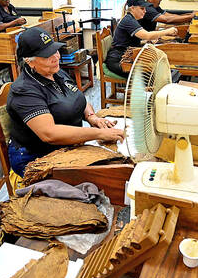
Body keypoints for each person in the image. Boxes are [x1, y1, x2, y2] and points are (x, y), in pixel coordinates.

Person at [6, 27, 124, 176]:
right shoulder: (24, 91)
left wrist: (91, 116)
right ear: (30, 62)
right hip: (36, 156)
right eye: (46, 55)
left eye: (55, 50)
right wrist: (98, 134)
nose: (55, 57)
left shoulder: (57, 72)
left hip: (67, 145)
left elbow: (77, 98)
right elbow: (49, 134)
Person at [104, 0, 178, 78]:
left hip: (124, 56)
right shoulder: (128, 20)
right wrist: (168, 31)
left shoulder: (133, 20)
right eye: (142, 8)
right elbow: (147, 35)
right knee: (154, 75)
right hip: (118, 61)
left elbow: (130, 41)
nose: (145, 11)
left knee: (165, 72)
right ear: (132, 8)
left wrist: (145, 41)